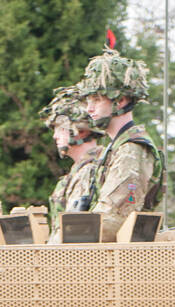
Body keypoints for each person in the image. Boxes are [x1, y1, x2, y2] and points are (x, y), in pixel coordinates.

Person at [77, 45, 164, 241]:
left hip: (119, 262)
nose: (89, 109)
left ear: (121, 100)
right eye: (88, 100)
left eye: (97, 100)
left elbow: (111, 219)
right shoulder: (115, 148)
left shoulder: (132, 150)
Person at [41, 86, 102, 242]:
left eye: (60, 128)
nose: (55, 136)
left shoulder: (89, 171)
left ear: (81, 131)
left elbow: (73, 234)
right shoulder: (79, 171)